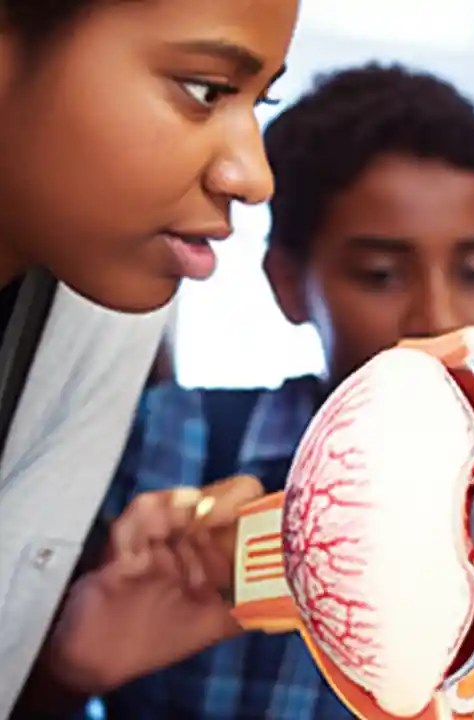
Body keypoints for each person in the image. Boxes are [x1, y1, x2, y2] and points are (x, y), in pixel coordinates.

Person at [91, 63, 474, 719]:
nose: (437, 315)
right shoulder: (166, 446)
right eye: (379, 274)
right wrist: (72, 666)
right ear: (287, 282)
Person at [0, 0, 297, 715]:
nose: (255, 177)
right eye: (205, 90)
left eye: (262, 101)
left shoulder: (109, 317)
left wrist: (60, 672)